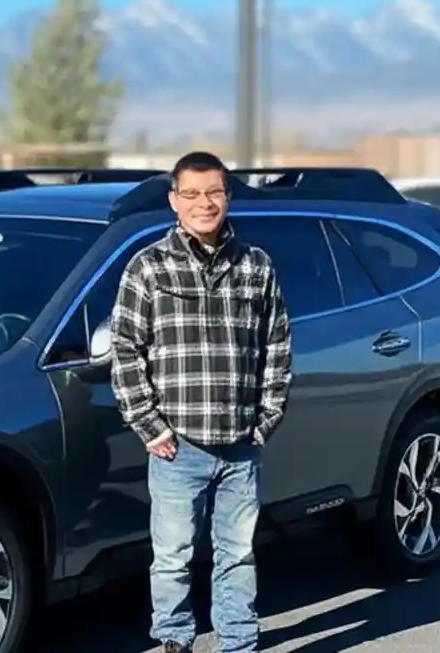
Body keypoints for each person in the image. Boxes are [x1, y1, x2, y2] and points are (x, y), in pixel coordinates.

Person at [109, 151, 293, 653]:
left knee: (237, 555)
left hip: (240, 445)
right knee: (171, 556)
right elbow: (125, 348)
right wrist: (150, 426)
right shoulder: (147, 267)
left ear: (228, 197)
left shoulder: (256, 267)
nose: (203, 203)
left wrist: (265, 421)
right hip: (177, 446)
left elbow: (276, 345)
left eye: (213, 192)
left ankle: (238, 643)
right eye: (191, 194)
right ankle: (174, 640)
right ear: (174, 201)